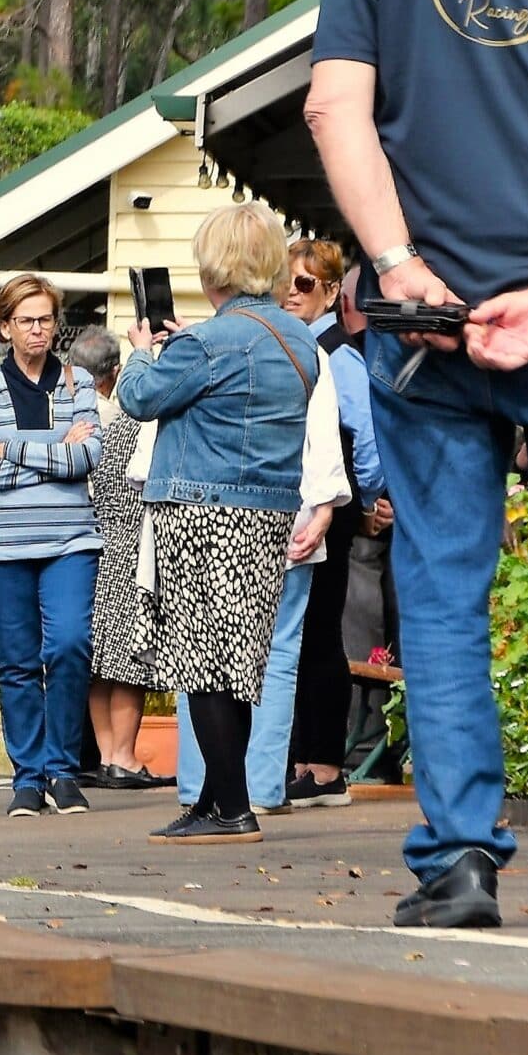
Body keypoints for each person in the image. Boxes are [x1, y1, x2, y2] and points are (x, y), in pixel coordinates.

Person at [306, 0, 528, 925]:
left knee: (442, 593)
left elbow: (332, 107)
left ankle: (458, 861)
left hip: (426, 325)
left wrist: (398, 267)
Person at [119, 204, 318, 843]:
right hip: (268, 513)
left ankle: (232, 808)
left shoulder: (206, 344)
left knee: (200, 661)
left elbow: (140, 397)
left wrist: (142, 354)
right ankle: (215, 798)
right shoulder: (300, 341)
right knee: (236, 665)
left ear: (215, 270)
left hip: (202, 512)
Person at [0, 275, 103, 818]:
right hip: (3, 547)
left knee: (69, 646)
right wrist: (52, 450)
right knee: (17, 662)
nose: (37, 329)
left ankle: (63, 770)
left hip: (71, 541)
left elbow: (87, 456)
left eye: (45, 319)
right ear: (6, 327)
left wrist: (13, 450)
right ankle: (28, 777)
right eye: (26, 320)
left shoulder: (77, 382)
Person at [281, 243, 381, 807]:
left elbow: (365, 437)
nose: (291, 292)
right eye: (285, 281)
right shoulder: (298, 344)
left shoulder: (338, 354)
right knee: (298, 637)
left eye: (304, 283)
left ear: (330, 291)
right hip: (305, 504)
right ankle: (302, 760)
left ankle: (324, 767)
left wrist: (365, 501)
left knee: (320, 634)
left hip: (332, 507)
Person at [69, 326, 160, 788]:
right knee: (129, 657)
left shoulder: (76, 422)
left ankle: (107, 754)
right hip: (132, 544)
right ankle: (123, 755)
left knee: (99, 658)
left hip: (92, 543)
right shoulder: (134, 423)